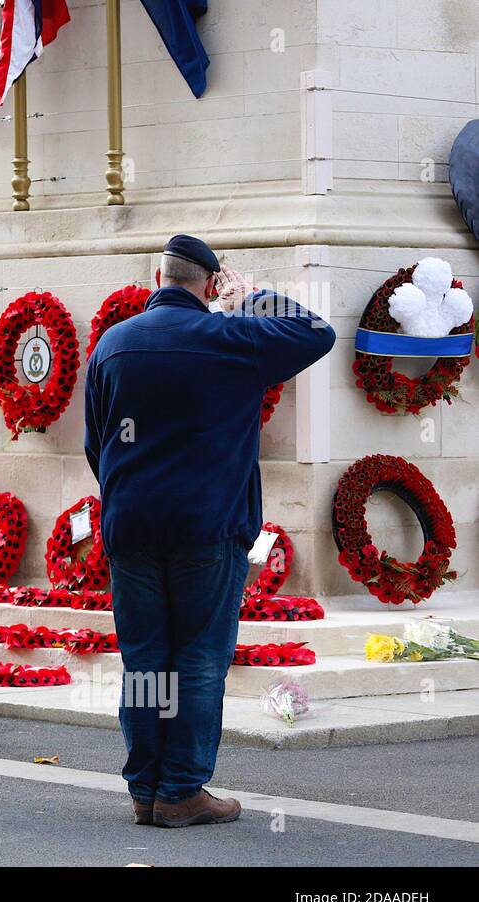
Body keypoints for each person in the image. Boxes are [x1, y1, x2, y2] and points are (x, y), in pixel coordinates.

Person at [84, 234, 335, 829]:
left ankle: (145, 788)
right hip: (207, 526)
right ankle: (182, 790)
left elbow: (96, 445)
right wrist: (253, 300)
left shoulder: (113, 345)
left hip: (133, 527)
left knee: (146, 661)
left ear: (158, 275)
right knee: (198, 659)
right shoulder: (230, 337)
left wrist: (130, 493)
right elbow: (317, 333)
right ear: (212, 284)